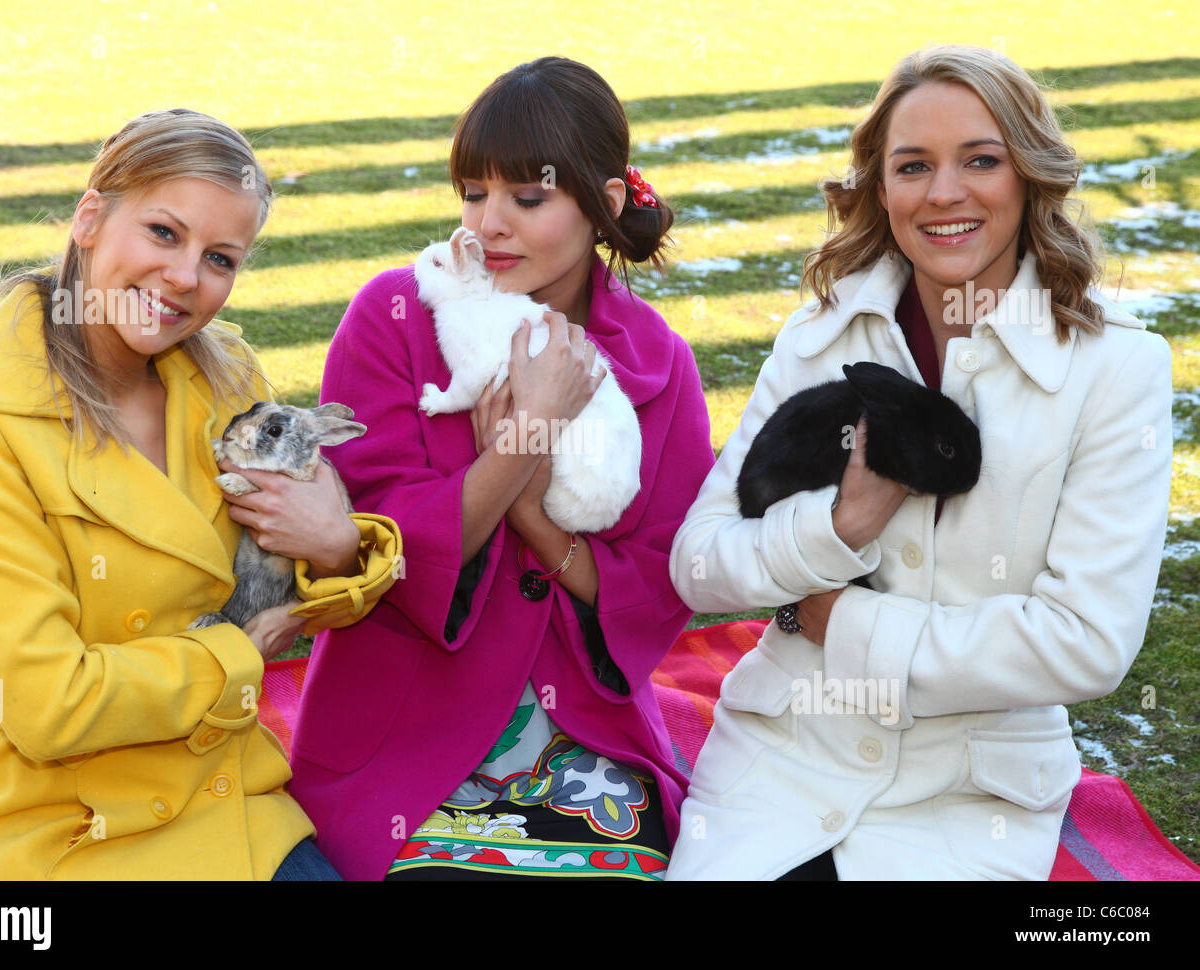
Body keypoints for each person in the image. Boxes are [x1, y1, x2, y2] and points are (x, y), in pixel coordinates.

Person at [665, 45, 1173, 880]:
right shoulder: (821, 335)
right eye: (913, 166)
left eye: (981, 159)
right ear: (881, 187)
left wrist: (847, 625)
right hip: (781, 763)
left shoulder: (1116, 368)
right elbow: (700, 566)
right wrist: (836, 530)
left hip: (974, 800)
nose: (944, 193)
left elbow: (1087, 642)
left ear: (1030, 175)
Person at [0, 109, 400, 880]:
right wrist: (232, 655)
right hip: (61, 833)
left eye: (221, 258)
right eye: (165, 233)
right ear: (91, 216)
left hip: (231, 801)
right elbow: (45, 705)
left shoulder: (229, 376)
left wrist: (339, 548)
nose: (185, 278)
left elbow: (288, 578)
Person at [288, 57, 716, 880]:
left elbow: (660, 584)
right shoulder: (397, 315)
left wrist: (524, 504)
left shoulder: (658, 361)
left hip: (586, 732)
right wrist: (526, 441)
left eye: (527, 198)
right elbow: (367, 548)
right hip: (401, 724)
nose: (489, 225)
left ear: (606, 205)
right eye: (473, 193)